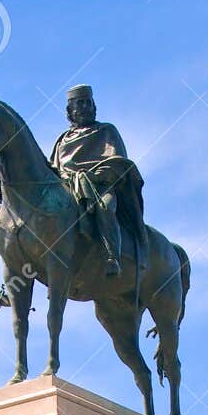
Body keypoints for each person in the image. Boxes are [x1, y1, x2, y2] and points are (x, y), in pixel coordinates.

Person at [48, 84, 135, 277]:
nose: (86, 107)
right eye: (80, 103)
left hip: (99, 186)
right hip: (67, 187)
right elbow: (53, 169)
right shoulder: (62, 139)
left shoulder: (106, 131)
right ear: (70, 110)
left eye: (89, 102)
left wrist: (94, 176)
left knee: (106, 206)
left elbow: (119, 162)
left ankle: (112, 257)